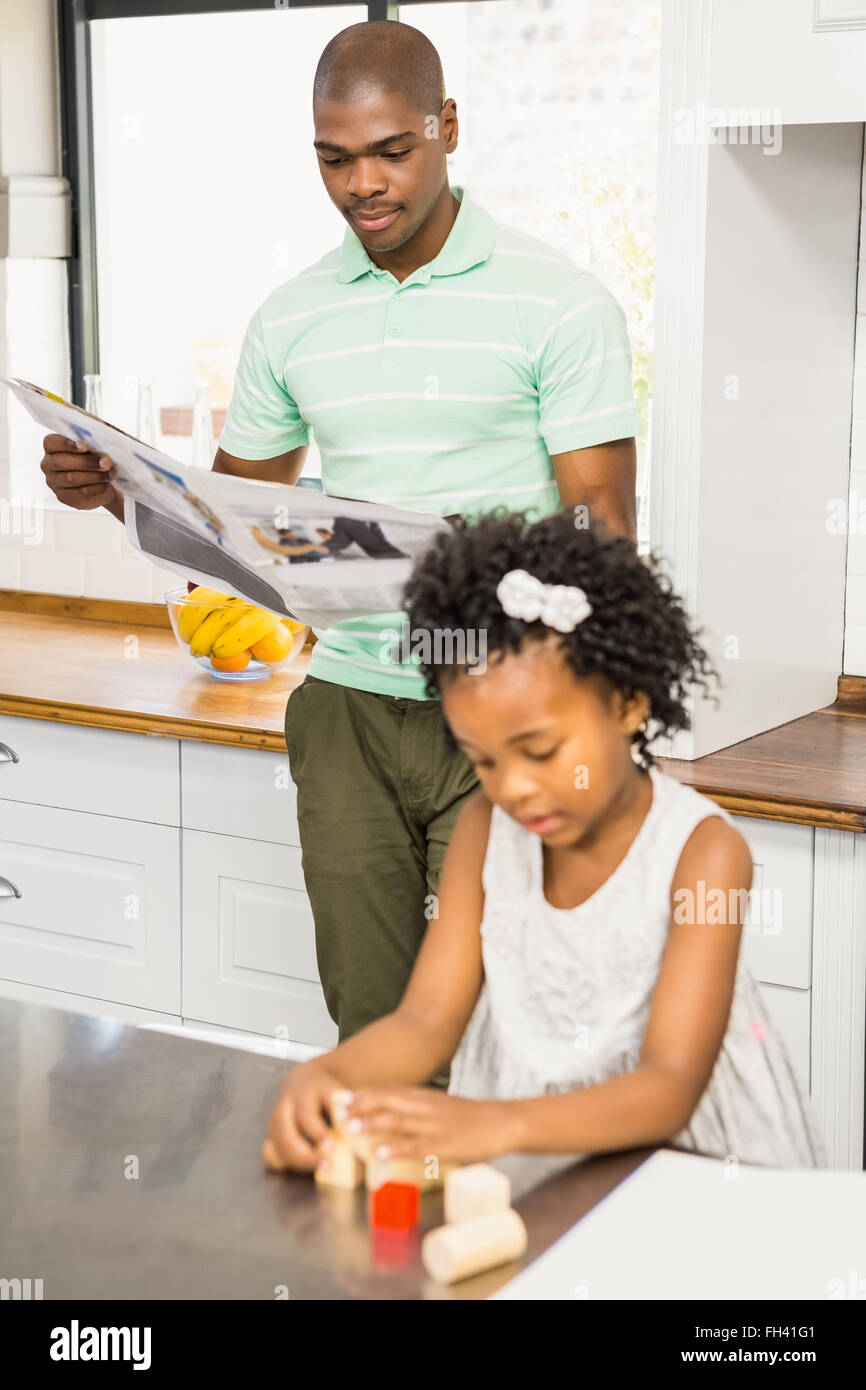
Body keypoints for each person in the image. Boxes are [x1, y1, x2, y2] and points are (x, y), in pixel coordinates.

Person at [38, 20, 642, 1065]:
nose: (362, 182)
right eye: (333, 157)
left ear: (446, 128)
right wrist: (110, 491)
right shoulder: (294, 318)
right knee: (372, 1026)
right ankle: (396, 1222)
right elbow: (231, 517)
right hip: (349, 712)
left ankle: (510, 1225)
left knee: (508, 1028)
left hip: (504, 707)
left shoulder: (559, 306)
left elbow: (606, 533)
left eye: (390, 151)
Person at [262, 512, 826, 1173]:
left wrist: (494, 1125)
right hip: (536, 1150)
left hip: (691, 1165)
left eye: (540, 751)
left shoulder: (702, 854)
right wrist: (331, 1073)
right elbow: (427, 1021)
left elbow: (669, 1085)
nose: (515, 790)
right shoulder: (482, 832)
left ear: (627, 704)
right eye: (485, 760)